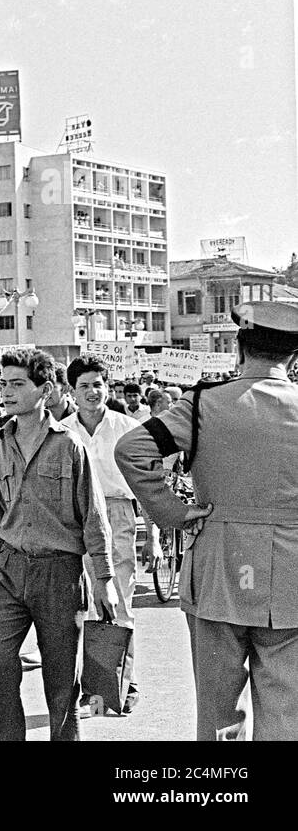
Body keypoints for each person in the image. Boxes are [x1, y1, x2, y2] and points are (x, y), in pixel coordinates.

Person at [116, 301, 298, 740]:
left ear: (239, 348)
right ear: (293, 357)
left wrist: (172, 514)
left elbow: (131, 450)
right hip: (293, 573)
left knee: (217, 712)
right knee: (287, 711)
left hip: (218, 566)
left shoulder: (200, 405)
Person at [0, 349, 117, 741]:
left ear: (45, 390)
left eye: (17, 384)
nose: (6, 391)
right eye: (3, 383)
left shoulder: (70, 445)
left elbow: (93, 514)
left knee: (61, 682)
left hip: (59, 573)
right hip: (9, 569)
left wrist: (105, 578)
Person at [60, 355, 144, 715]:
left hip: (117, 512)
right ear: (72, 392)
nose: (92, 392)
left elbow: (143, 484)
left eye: (98, 384)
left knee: (118, 599)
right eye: (84, 386)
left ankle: (125, 684)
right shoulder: (60, 430)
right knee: (81, 605)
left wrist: (152, 536)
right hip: (73, 518)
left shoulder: (127, 428)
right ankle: (91, 690)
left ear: (107, 388)